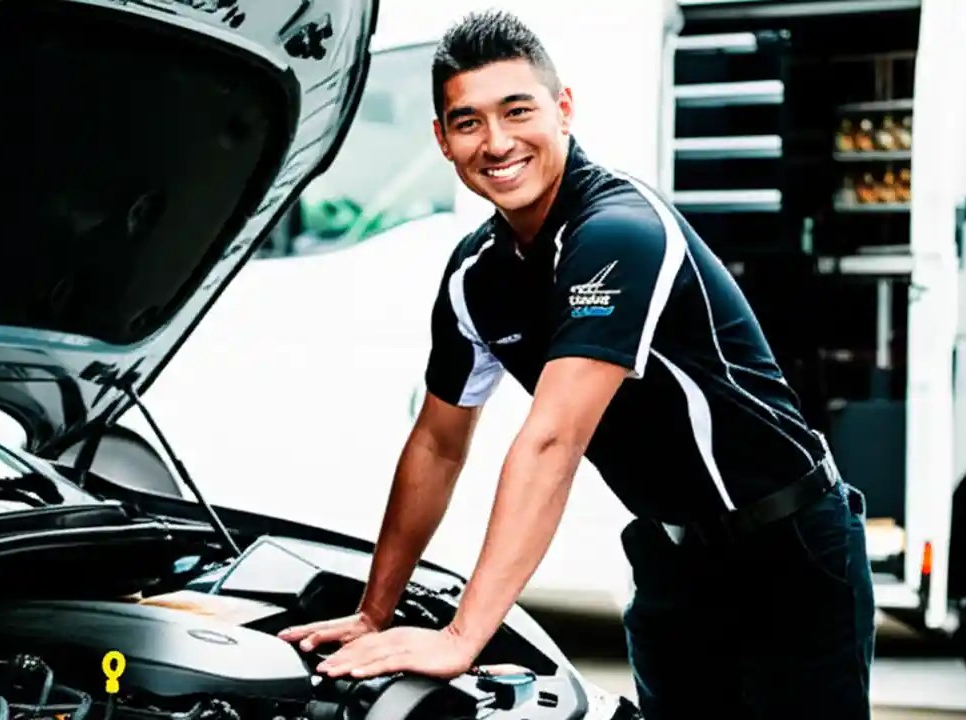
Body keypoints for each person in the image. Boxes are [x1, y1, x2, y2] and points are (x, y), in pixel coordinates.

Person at [279, 9, 876, 718]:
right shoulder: (476, 274)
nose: (496, 143)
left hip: (789, 550)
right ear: (441, 140)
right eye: (468, 122)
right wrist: (375, 612)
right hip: (670, 558)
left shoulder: (621, 231)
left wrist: (463, 635)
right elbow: (438, 444)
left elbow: (553, 440)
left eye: (517, 111)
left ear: (563, 109)